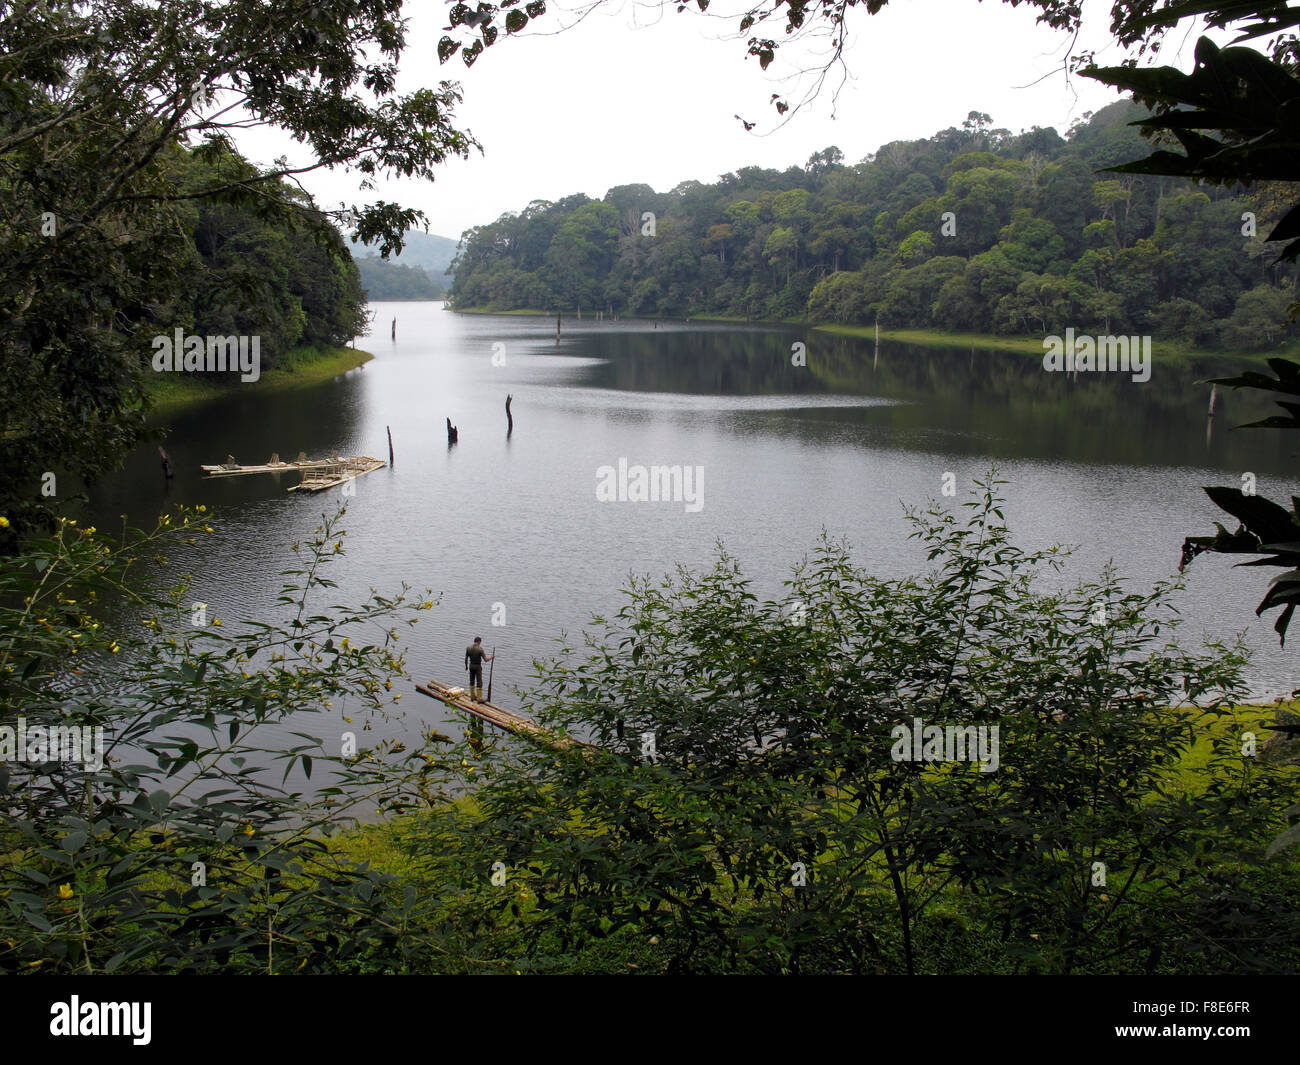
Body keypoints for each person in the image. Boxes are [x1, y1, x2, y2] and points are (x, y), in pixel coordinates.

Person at [464, 636, 494, 702]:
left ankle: (472, 697)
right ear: (479, 642)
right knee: (479, 682)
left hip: (471, 666)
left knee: (472, 681)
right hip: (477, 667)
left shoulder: (468, 648)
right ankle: (479, 699)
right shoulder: (480, 649)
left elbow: (466, 658)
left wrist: (466, 666)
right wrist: (491, 657)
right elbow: (486, 660)